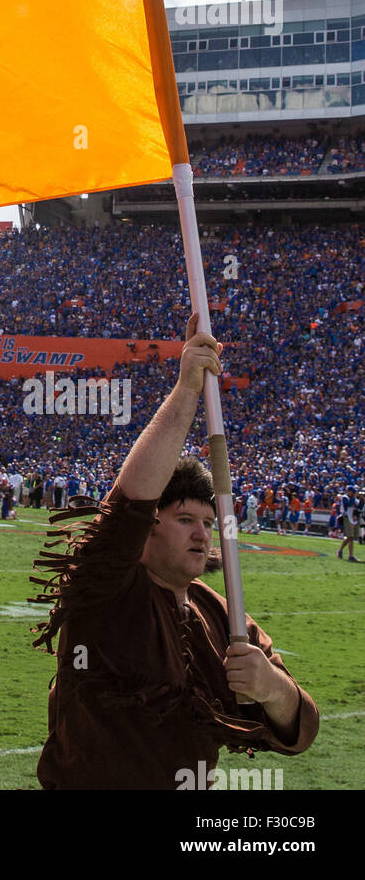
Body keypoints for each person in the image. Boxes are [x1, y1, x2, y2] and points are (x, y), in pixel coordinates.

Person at [33, 314, 320, 790]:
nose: (202, 535)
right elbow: (128, 506)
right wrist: (187, 391)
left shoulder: (227, 618)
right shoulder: (108, 590)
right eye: (185, 520)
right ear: (148, 529)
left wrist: (272, 689)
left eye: (208, 523)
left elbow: (299, 730)